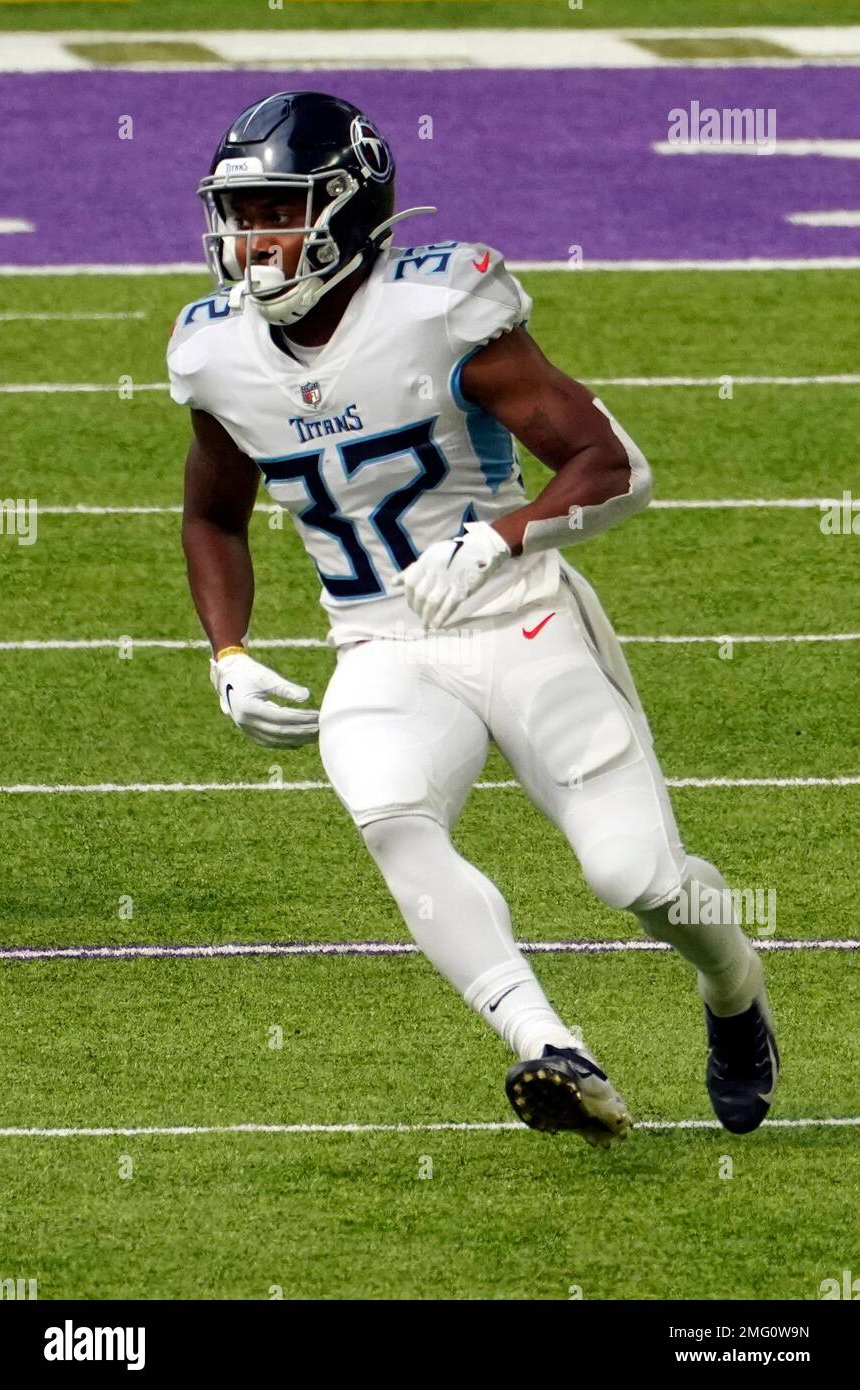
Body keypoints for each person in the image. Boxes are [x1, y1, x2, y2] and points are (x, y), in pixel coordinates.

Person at [168, 91, 778, 1148]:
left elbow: (615, 467)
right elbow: (209, 513)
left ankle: (734, 996)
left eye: (276, 210)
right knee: (394, 823)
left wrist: (502, 535)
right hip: (376, 639)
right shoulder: (214, 351)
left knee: (633, 875)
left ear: (346, 211)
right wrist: (227, 650)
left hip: (518, 613)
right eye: (239, 213)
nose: (250, 240)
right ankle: (552, 1046)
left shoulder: (440, 305)